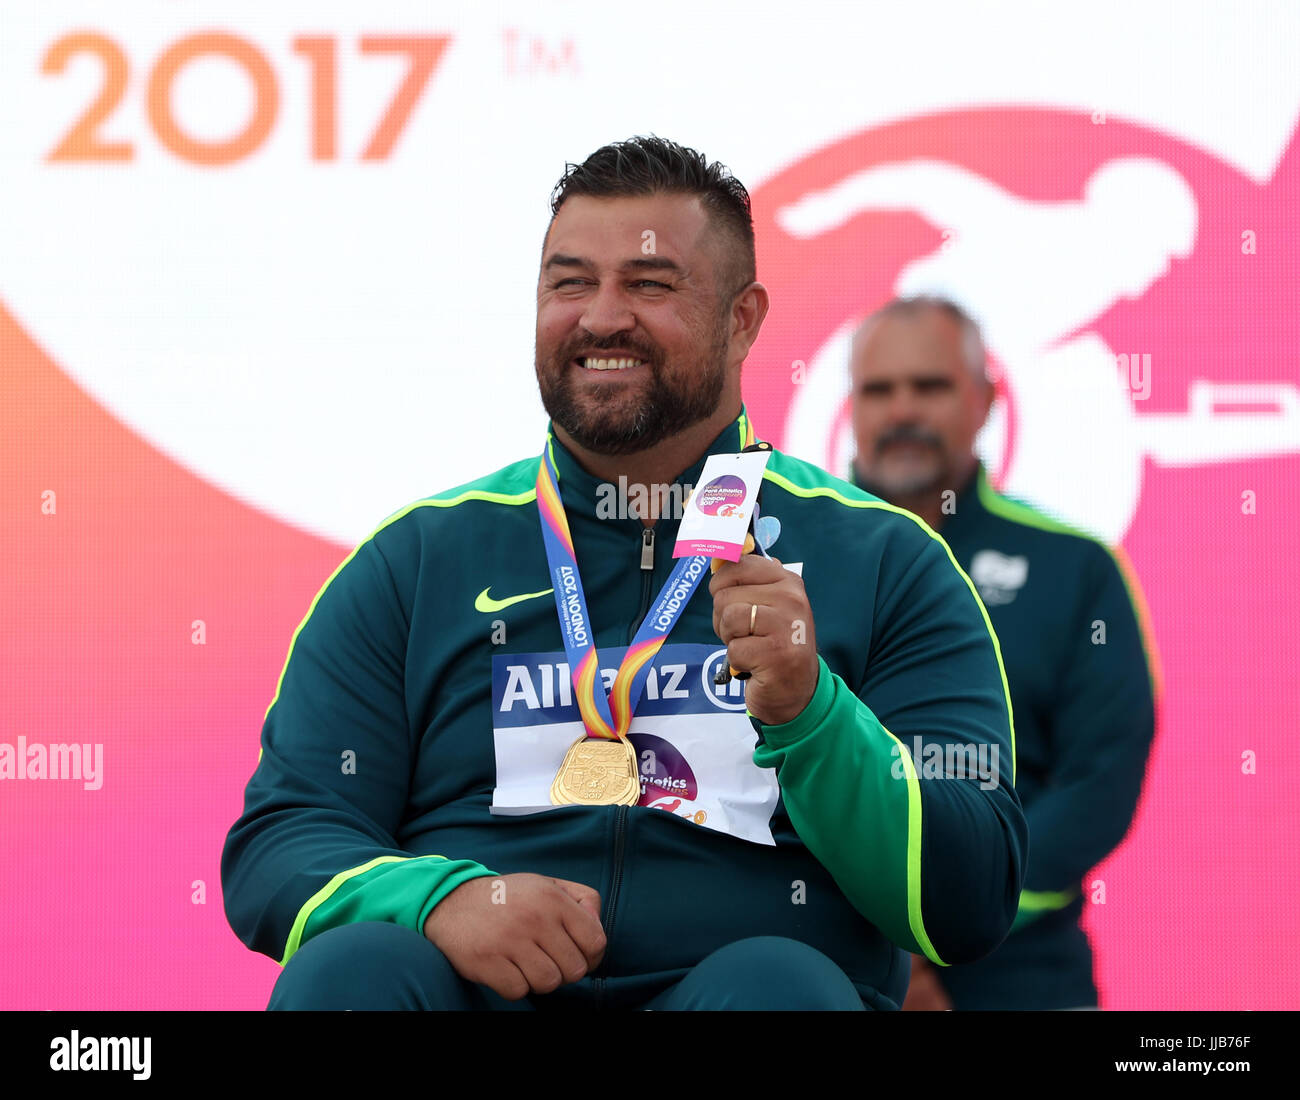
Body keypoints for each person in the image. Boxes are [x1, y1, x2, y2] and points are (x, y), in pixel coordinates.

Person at [221, 139, 1027, 1011]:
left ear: (743, 319)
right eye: (570, 283)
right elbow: (282, 838)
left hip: (741, 1000)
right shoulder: (416, 561)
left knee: (778, 988)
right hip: (475, 996)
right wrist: (439, 899)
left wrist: (815, 715)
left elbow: (969, 898)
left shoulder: (883, 561)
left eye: (649, 285)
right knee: (351, 974)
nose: (602, 318)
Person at [847, 295, 1156, 1011]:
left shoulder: (1075, 567)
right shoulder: (781, 555)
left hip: (1021, 971)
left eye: (930, 386)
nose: (901, 412)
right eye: (878, 390)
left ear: (987, 401)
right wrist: (878, 945)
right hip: (825, 963)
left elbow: (1099, 779)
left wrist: (942, 923)